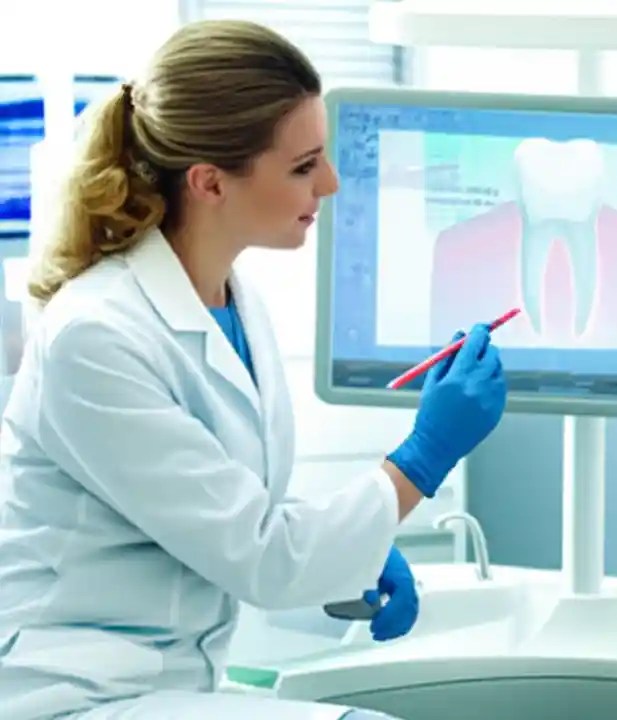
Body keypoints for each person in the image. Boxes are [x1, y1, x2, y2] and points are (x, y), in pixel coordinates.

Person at [0, 20, 506, 720]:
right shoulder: (96, 338)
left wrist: (351, 556)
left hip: (172, 682)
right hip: (74, 691)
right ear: (209, 182)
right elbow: (261, 555)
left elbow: (228, 513)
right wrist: (422, 460)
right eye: (303, 166)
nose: (329, 183)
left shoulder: (232, 300)